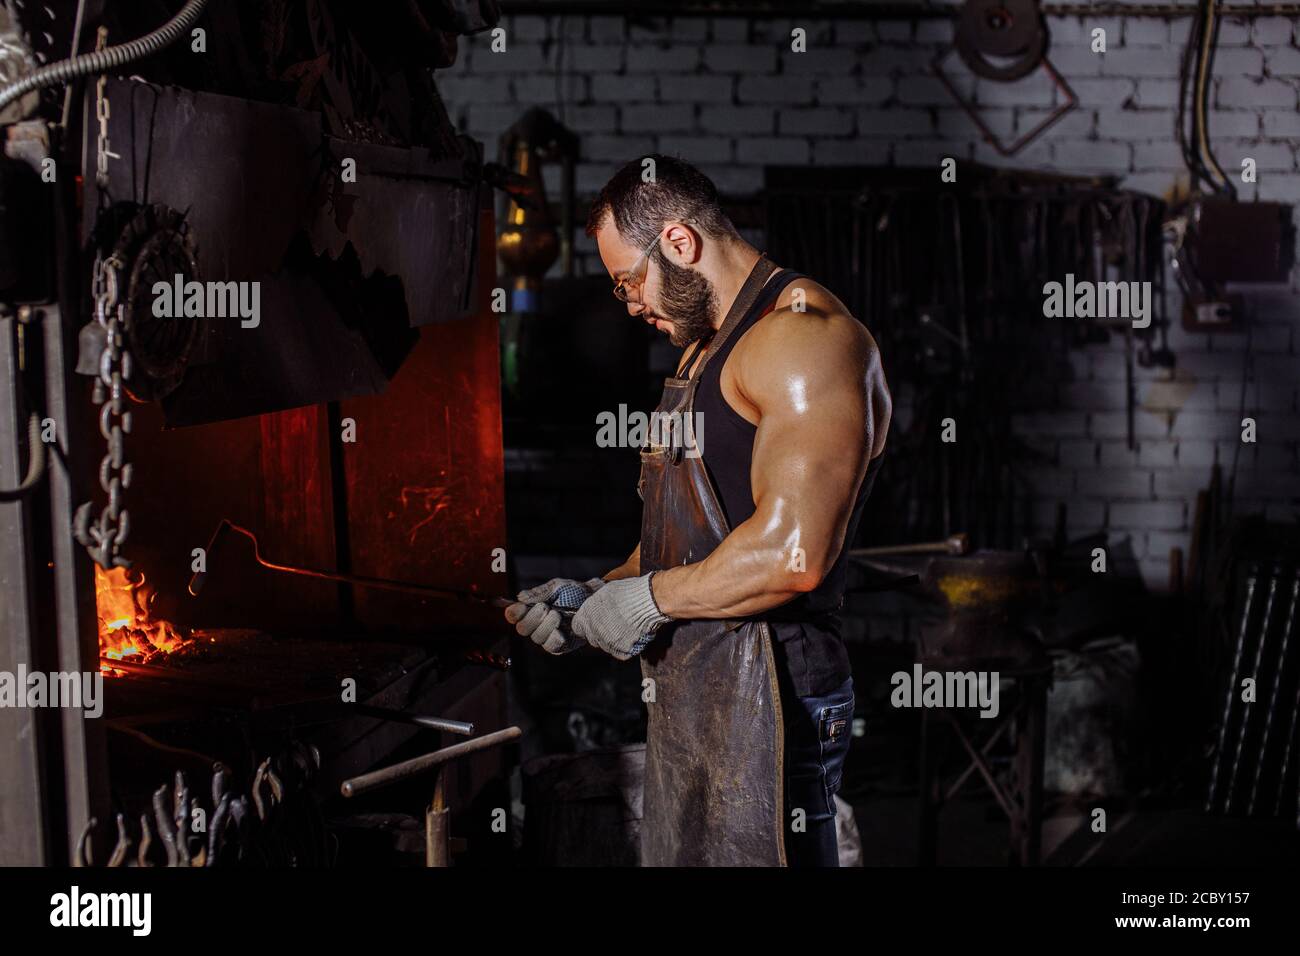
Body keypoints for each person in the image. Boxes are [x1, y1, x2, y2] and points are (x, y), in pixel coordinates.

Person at [506, 155, 892, 867]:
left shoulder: (803, 340)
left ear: (679, 244)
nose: (627, 304)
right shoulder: (701, 354)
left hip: (777, 697)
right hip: (697, 688)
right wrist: (592, 595)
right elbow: (683, 544)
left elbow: (790, 557)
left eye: (629, 281)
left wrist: (644, 602)